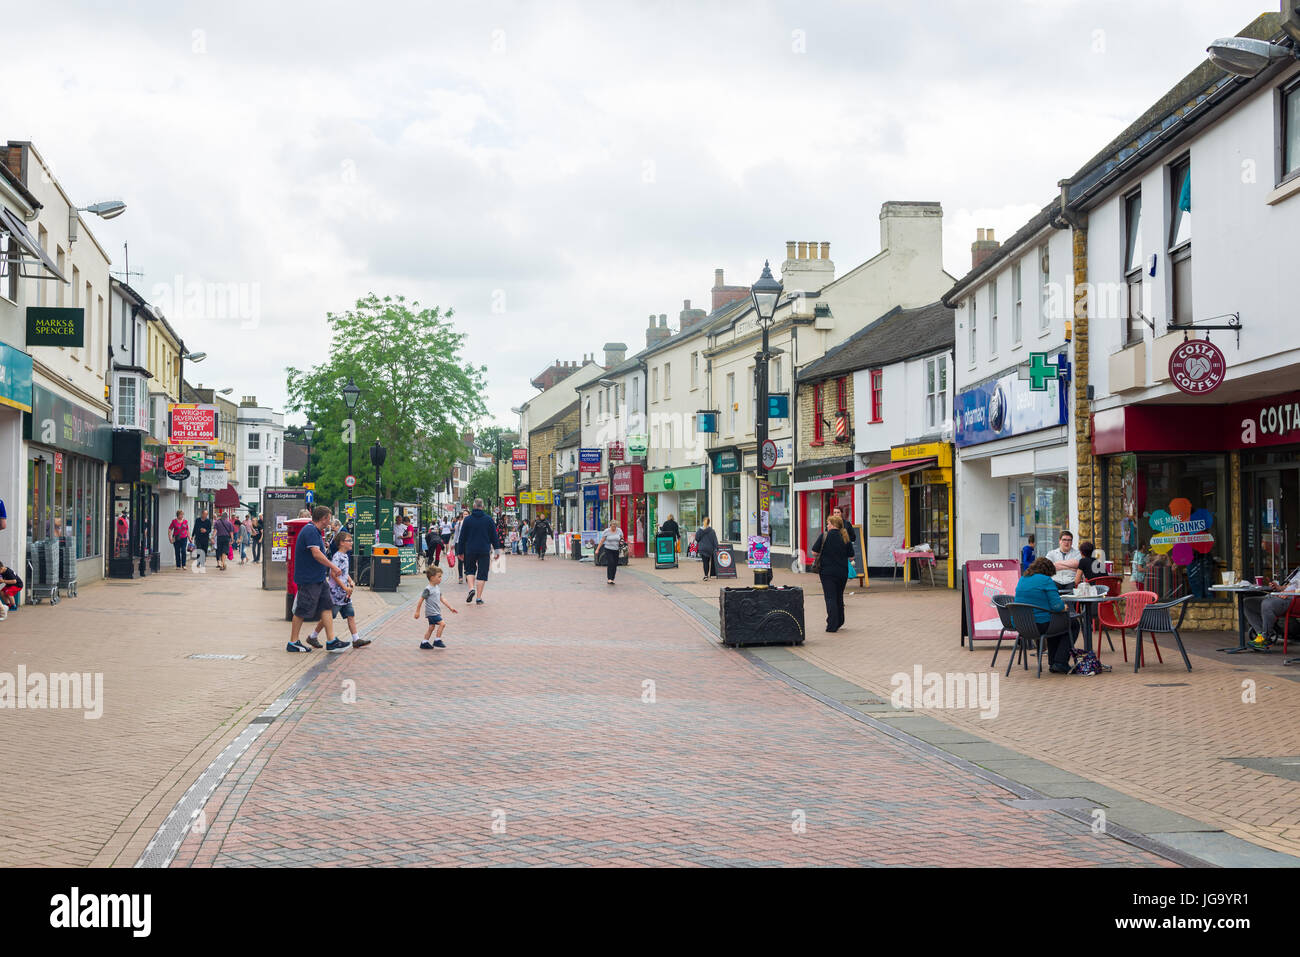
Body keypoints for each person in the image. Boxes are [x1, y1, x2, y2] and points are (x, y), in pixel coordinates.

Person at [287, 505, 350, 653]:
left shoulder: (315, 531)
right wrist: (333, 567)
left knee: (326, 607)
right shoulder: (310, 530)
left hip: (319, 578)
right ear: (324, 518)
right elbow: (316, 554)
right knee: (302, 609)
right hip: (309, 579)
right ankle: (293, 642)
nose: (330, 521)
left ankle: (331, 640)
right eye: (329, 518)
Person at [307, 531, 371, 649]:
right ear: (341, 543)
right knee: (329, 616)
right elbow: (333, 574)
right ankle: (312, 636)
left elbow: (343, 572)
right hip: (336, 594)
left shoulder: (345, 556)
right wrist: (344, 587)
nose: (351, 542)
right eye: (349, 540)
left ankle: (356, 639)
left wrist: (350, 581)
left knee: (350, 614)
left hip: (345, 594)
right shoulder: (337, 557)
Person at [1015, 556, 1079, 674]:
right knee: (1073, 624)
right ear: (1048, 571)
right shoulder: (1046, 580)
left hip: (1022, 625)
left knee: (1057, 624)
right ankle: (1060, 662)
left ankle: (1054, 663)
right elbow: (1057, 606)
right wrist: (1063, 606)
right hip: (1040, 625)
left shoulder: (1023, 578)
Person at [811, 515, 852, 633]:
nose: (827, 526)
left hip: (827, 572)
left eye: (828, 523)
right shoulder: (845, 537)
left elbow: (814, 552)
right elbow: (851, 555)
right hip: (842, 572)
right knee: (839, 596)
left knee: (830, 598)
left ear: (833, 524)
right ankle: (840, 620)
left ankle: (832, 625)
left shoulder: (824, 536)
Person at [1244, 566, 1300, 650]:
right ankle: (1260, 635)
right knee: (1248, 602)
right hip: (1282, 596)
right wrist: (1278, 588)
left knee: (1267, 604)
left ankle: (1266, 637)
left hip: (1294, 600)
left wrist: (1292, 592)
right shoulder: (1298, 572)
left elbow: (1294, 589)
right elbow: (1292, 585)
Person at [459, 499, 503, 605]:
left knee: (469, 570)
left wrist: (460, 551)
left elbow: (462, 537)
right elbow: (494, 537)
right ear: (482, 507)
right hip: (484, 550)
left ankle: (470, 589)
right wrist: (497, 551)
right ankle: (478, 598)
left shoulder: (467, 520)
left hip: (470, 549)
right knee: (482, 573)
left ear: (473, 506)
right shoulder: (488, 520)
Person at [414, 565, 458, 649]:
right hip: (432, 612)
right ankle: (437, 640)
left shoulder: (437, 587)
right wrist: (417, 612)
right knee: (442, 624)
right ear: (432, 578)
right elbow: (421, 600)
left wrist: (450, 607)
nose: (441, 578)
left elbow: (442, 599)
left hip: (436, 611)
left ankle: (424, 642)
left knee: (431, 627)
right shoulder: (428, 589)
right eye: (439, 577)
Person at [596, 520, 624, 585]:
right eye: (612, 525)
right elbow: (602, 541)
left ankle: (612, 578)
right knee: (610, 562)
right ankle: (609, 579)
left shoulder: (619, 530)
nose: (614, 527)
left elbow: (622, 538)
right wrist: (597, 549)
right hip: (608, 549)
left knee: (615, 564)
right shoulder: (607, 531)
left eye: (615, 526)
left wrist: (621, 542)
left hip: (616, 550)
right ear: (610, 525)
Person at [694, 517, 718, 581]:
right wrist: (716, 548)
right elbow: (715, 540)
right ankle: (707, 574)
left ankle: (706, 575)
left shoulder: (699, 530)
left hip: (702, 548)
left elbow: (696, 538)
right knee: (708, 561)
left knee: (705, 562)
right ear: (709, 522)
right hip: (710, 549)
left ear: (703, 522)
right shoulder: (712, 531)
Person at [452, 509, 470, 583]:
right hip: (459, 543)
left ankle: (467, 575)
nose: (465, 515)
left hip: (468, 544)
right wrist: (453, 543)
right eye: (464, 514)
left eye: (466, 514)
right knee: (460, 560)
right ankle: (460, 577)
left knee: (467, 560)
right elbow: (456, 534)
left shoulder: (471, 523)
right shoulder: (459, 523)